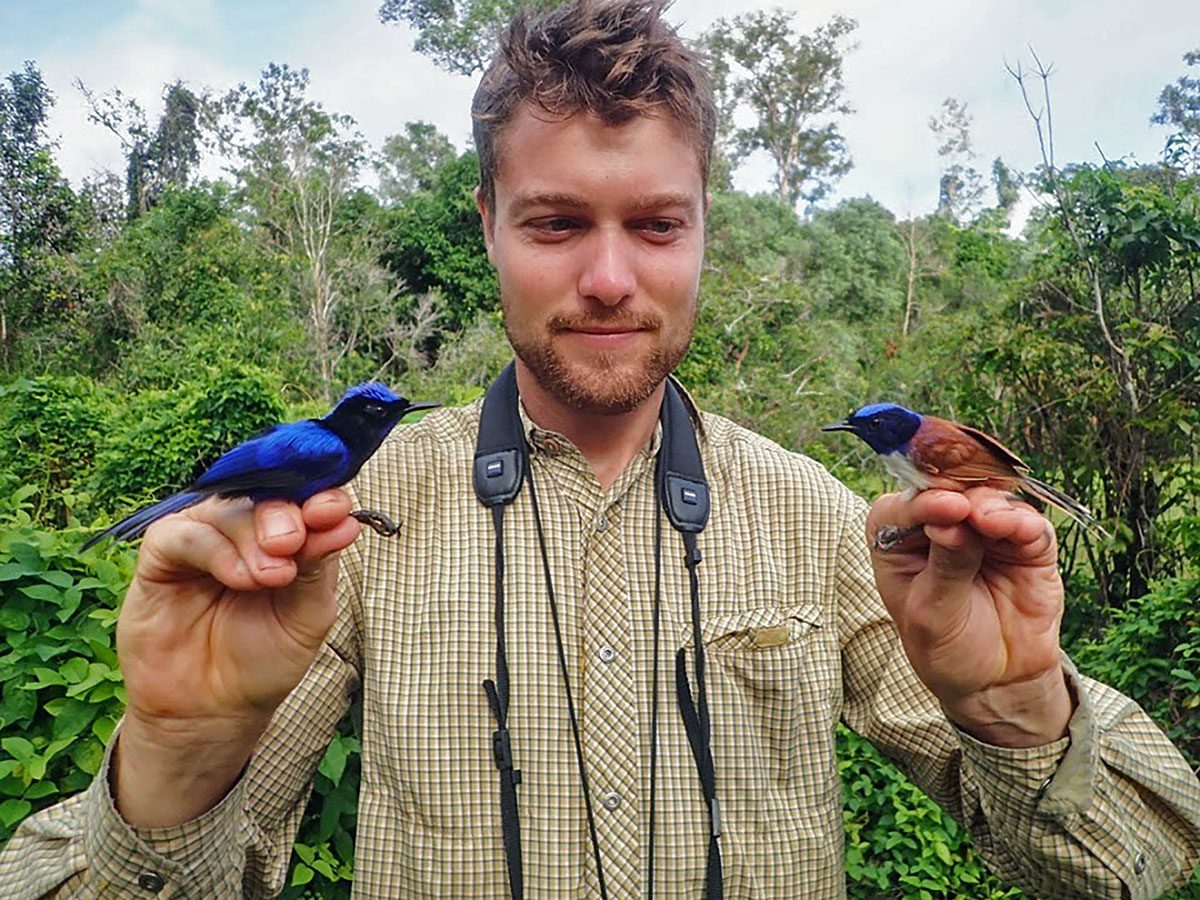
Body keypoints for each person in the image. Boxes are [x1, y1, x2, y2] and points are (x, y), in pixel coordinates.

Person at [3, 1, 1199, 896]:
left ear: (705, 230)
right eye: (557, 222)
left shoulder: (825, 518)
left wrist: (1015, 705)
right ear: (487, 227)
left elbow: (1137, 863)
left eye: (657, 224)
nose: (611, 278)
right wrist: (180, 759)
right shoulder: (346, 524)